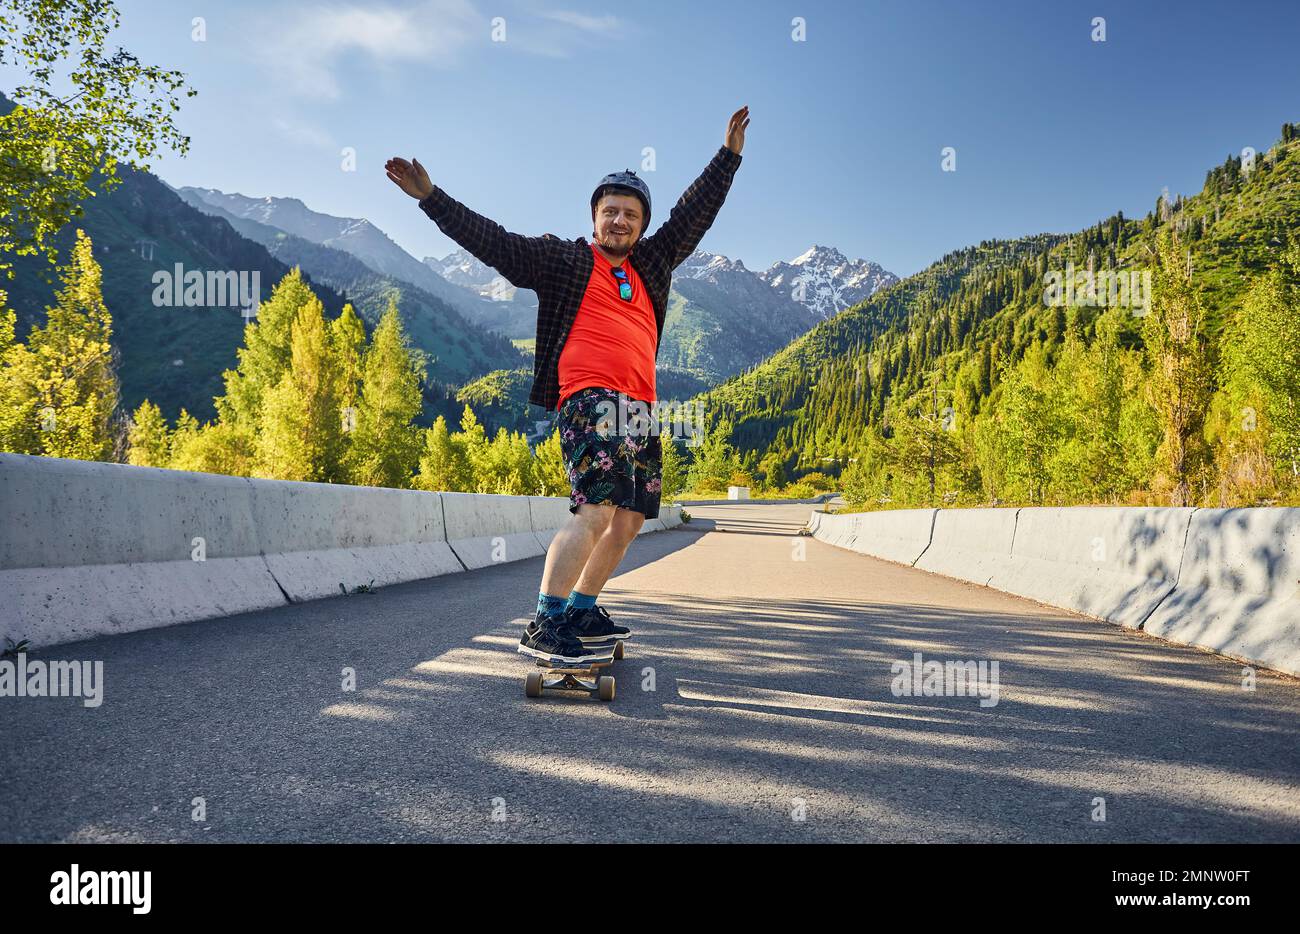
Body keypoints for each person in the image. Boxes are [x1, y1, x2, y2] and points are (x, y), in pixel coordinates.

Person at [385, 105, 749, 664]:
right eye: (610, 212)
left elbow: (693, 214)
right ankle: (546, 619)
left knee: (628, 521)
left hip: (640, 408)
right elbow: (495, 242)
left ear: (642, 225)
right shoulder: (561, 259)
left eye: (629, 214)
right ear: (594, 217)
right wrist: (432, 199)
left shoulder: (653, 264)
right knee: (596, 509)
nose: (619, 221)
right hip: (589, 396)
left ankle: (581, 607)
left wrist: (727, 158)